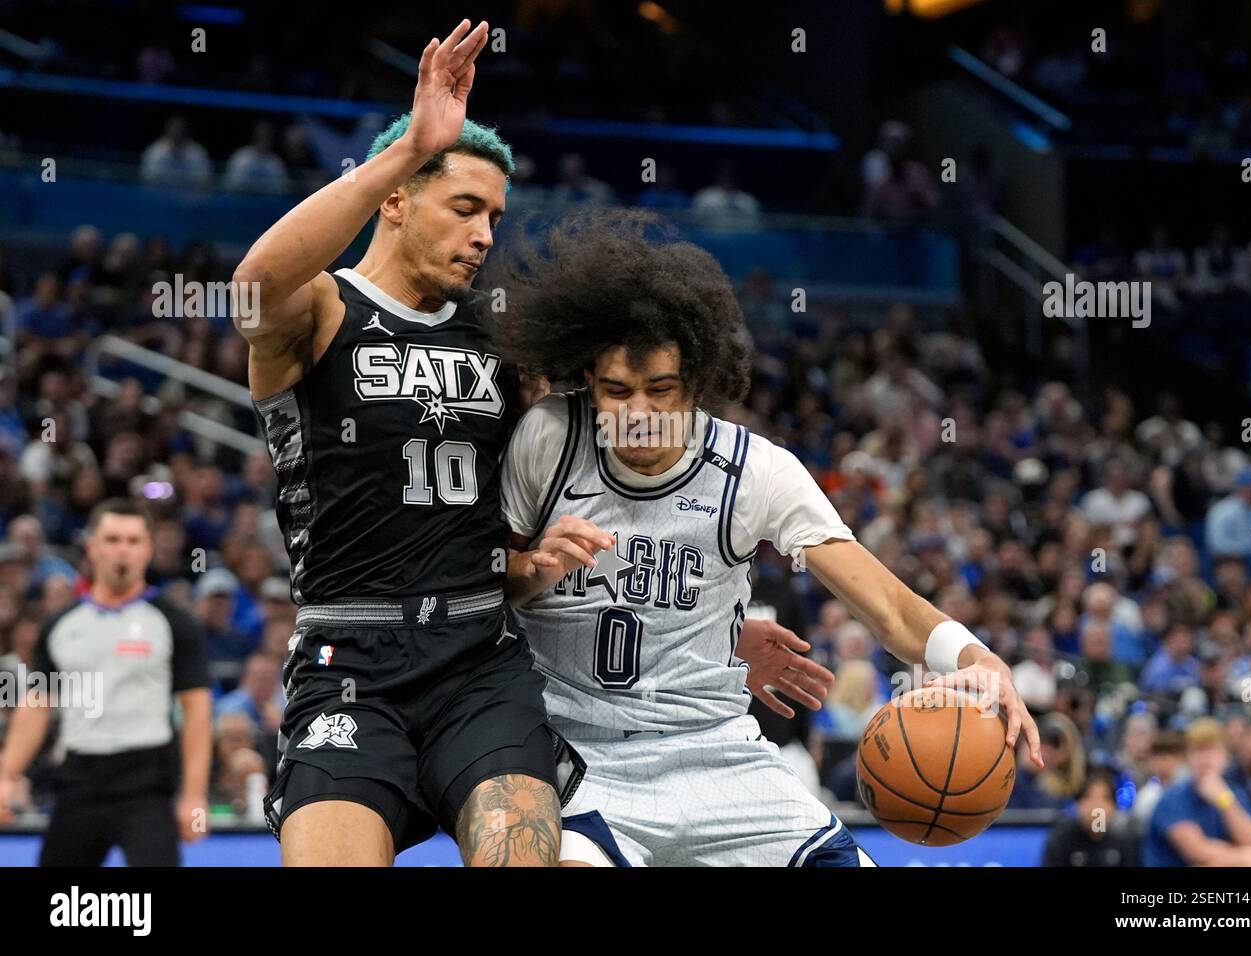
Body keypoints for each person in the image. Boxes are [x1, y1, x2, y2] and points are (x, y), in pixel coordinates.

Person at [493, 209, 1042, 866]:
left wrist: (979, 661)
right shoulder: (548, 440)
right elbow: (477, 588)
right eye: (616, 391)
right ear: (587, 381)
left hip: (721, 757)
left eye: (660, 390)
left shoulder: (755, 471)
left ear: (697, 383)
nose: (637, 413)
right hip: (586, 762)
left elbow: (888, 607)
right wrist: (528, 573)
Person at [230, 19, 579, 867]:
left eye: (495, 215)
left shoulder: (502, 338)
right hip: (350, 657)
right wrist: (412, 144)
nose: (486, 234)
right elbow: (250, 288)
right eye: (465, 207)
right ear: (394, 199)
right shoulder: (320, 310)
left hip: (478, 658)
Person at [0, 500, 211, 866]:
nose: (123, 549)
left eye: (133, 540)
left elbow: (197, 711)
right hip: (78, 781)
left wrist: (194, 796)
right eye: (112, 539)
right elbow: (37, 705)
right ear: (92, 547)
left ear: (148, 549)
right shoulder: (59, 626)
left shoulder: (173, 623)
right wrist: (6, 775)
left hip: (147, 784)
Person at [1141, 717, 1251, 867]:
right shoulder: (1172, 797)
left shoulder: (1233, 794)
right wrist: (1242, 855)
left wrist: (1224, 800)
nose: (1205, 759)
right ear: (1187, 757)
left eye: (1212, 751)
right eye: (1199, 751)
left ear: (1225, 757)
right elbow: (1197, 852)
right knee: (1247, 860)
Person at [1040, 767, 1140, 867]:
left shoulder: (1125, 840)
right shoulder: (1062, 839)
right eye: (1089, 797)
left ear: (1113, 806)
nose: (1096, 805)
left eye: (1104, 798)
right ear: (1078, 804)